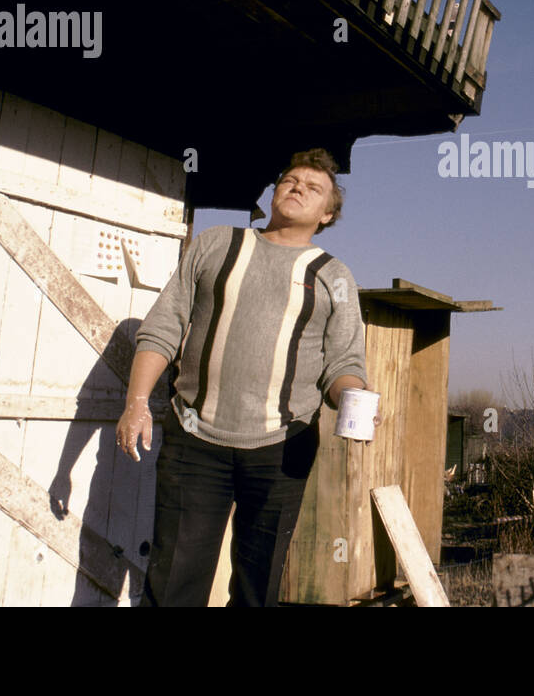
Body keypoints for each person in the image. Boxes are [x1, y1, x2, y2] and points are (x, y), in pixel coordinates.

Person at [118, 148, 369, 606]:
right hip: (195, 441)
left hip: (281, 447)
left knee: (257, 589)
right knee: (174, 582)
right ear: (275, 191)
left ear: (327, 214)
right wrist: (136, 403)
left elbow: (344, 363)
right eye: (290, 180)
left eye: (313, 188)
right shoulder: (217, 244)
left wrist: (354, 399)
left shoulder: (334, 277)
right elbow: (163, 326)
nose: (297, 188)